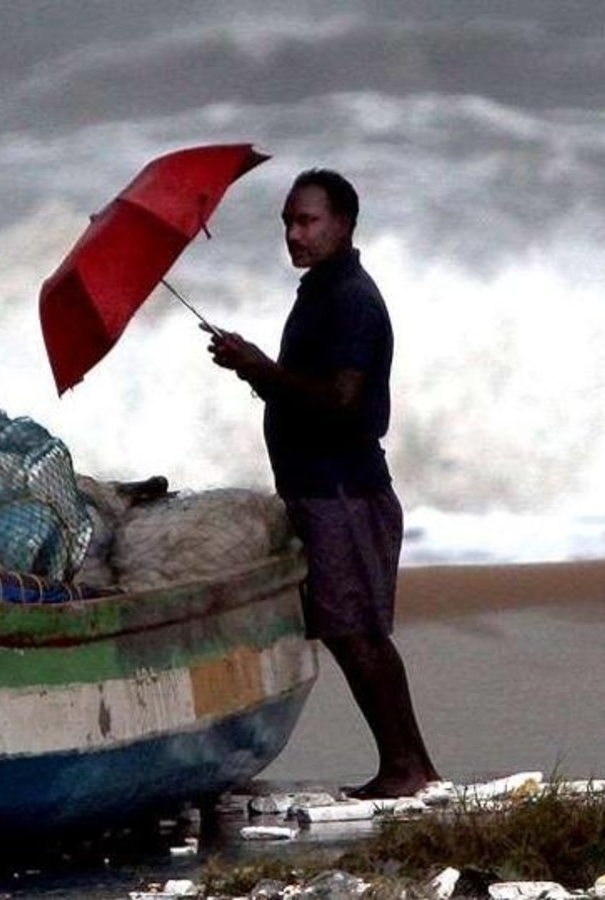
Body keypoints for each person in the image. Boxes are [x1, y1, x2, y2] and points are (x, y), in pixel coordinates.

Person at [204, 168, 439, 799]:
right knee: (351, 630)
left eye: (307, 221)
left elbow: (341, 402)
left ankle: (407, 767)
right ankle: (409, 765)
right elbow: (304, 392)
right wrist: (250, 367)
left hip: (345, 491)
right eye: (287, 221)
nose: (294, 233)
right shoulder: (319, 293)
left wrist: (262, 367)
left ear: (343, 223)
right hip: (319, 488)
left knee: (356, 631)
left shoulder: (351, 300)